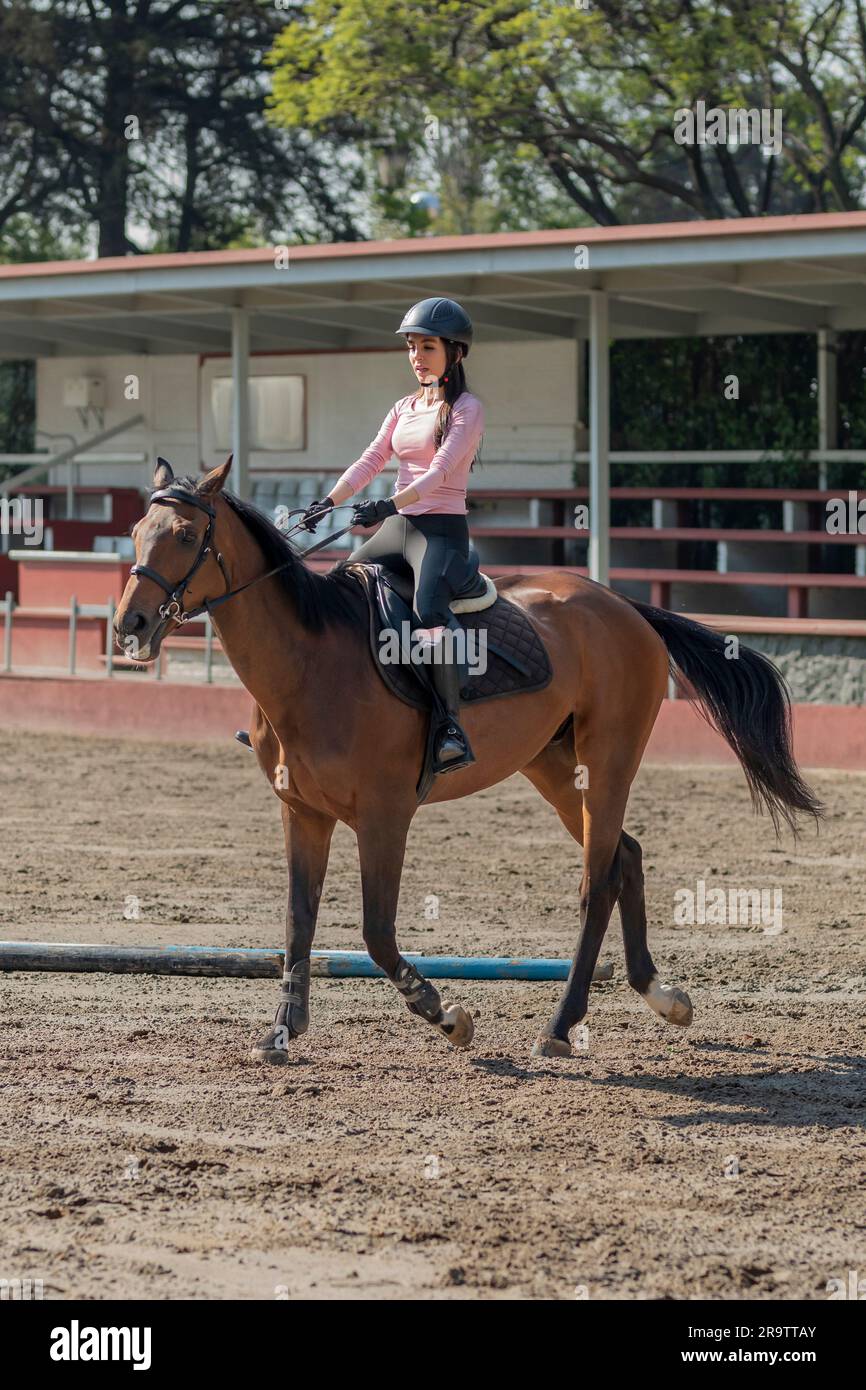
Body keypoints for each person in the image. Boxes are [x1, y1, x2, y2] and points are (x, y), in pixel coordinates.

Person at [303, 296, 485, 774]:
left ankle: (449, 727)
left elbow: (442, 474)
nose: (417, 356)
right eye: (411, 347)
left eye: (427, 346)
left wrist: (388, 503)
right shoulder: (403, 407)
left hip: (440, 531)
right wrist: (329, 501)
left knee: (428, 610)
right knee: (337, 590)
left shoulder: (467, 408)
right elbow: (370, 459)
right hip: (398, 527)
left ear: (455, 352)